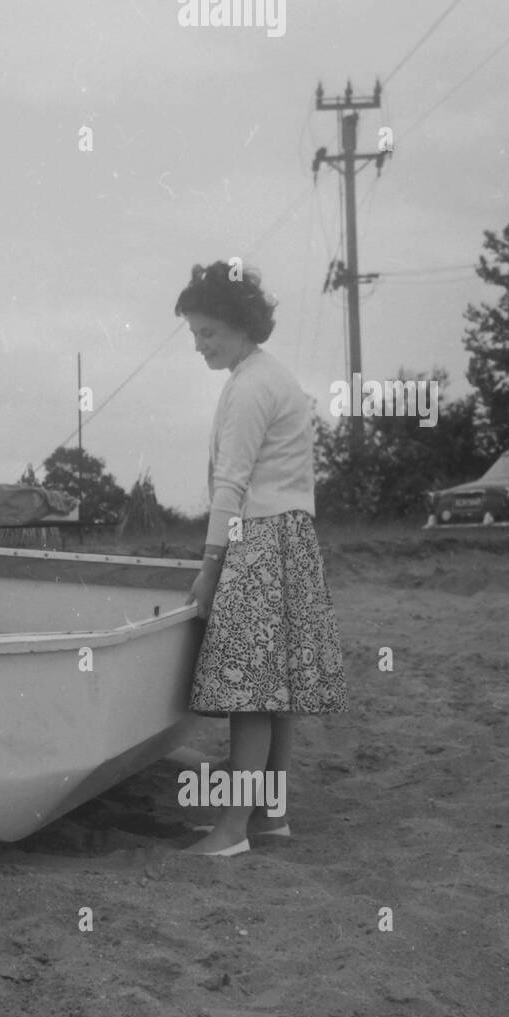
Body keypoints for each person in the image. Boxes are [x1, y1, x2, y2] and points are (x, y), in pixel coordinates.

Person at [175, 261, 348, 856]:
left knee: (250, 694)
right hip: (291, 539)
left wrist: (210, 564)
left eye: (208, 333)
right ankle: (268, 818)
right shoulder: (272, 377)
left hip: (258, 540)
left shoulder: (251, 385)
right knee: (275, 694)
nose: (199, 346)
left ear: (240, 325)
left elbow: (231, 485)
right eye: (194, 334)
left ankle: (230, 831)